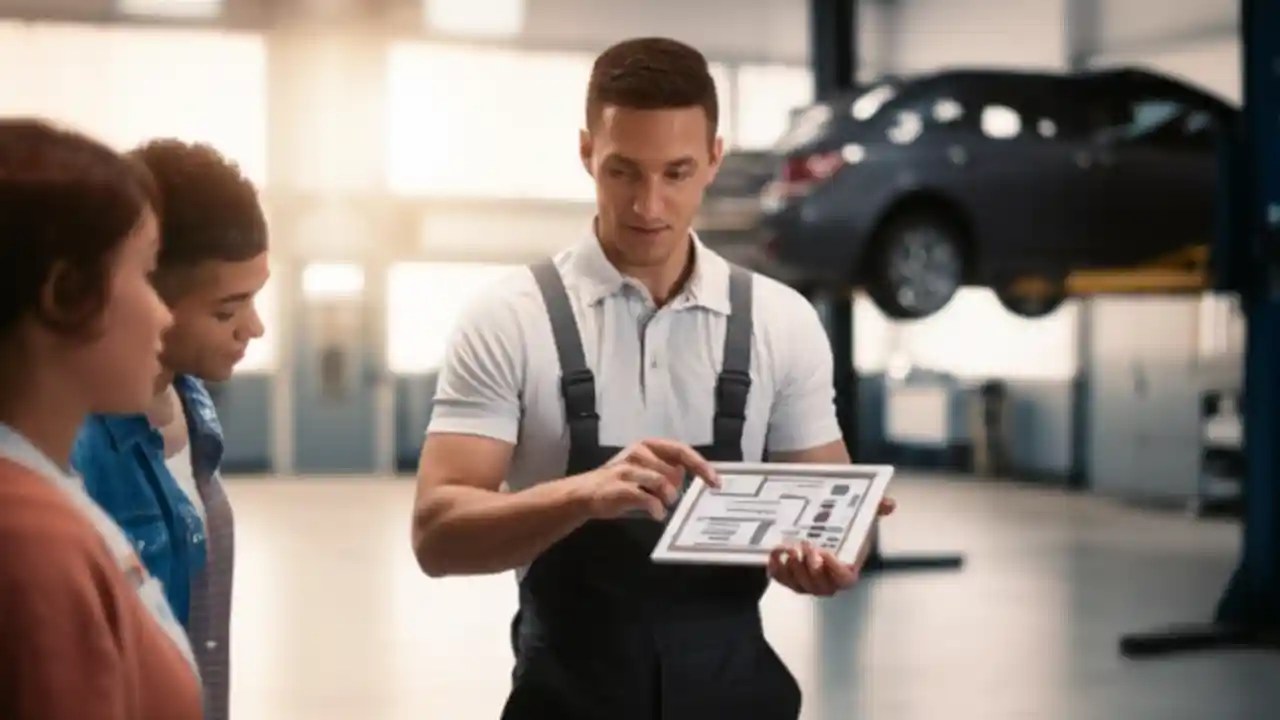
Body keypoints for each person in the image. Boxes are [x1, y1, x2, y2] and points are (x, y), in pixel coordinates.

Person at [411, 37, 895, 720]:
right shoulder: (508, 318)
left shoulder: (779, 323)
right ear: (586, 154)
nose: (649, 203)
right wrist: (583, 495)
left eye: (676, 172)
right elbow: (437, 534)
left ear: (714, 160)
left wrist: (835, 555)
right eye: (622, 171)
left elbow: (839, 521)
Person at [0, 118, 201, 719]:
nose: (164, 316)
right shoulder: (32, 544)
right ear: (66, 294)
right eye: (144, 273)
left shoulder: (44, 494)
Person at [71, 139, 270, 720]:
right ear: (142, 291)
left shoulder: (193, 405)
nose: (253, 328)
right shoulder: (70, 450)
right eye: (226, 311)